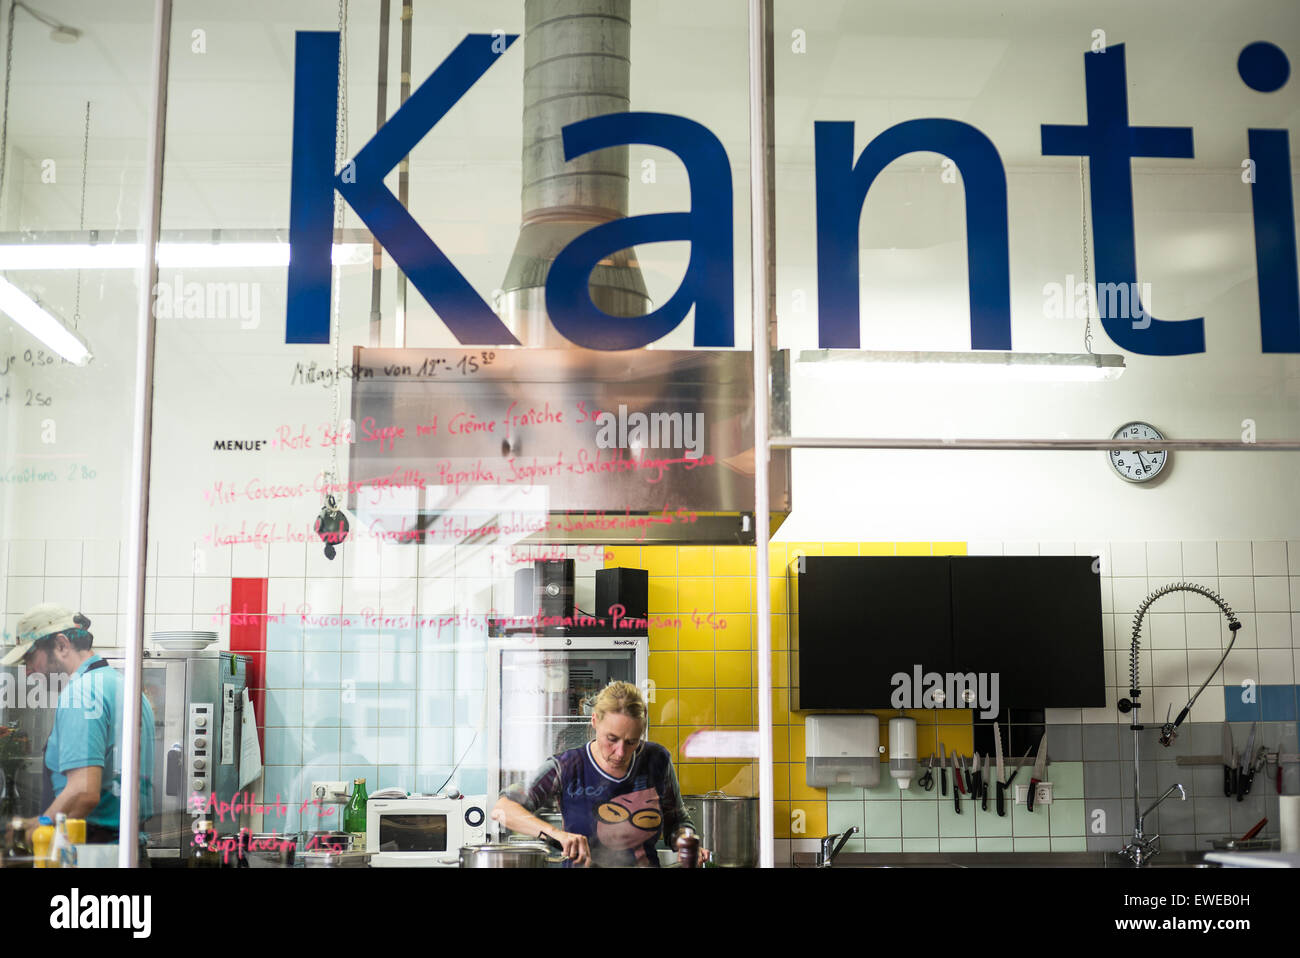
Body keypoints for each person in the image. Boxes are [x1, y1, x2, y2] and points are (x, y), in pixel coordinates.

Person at [493, 680, 708, 867]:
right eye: (612, 739)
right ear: (595, 721)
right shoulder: (567, 766)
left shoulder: (657, 760)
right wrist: (557, 834)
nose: (621, 752)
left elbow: (677, 819)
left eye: (632, 741)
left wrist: (686, 840)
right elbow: (503, 809)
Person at [0, 604, 155, 858]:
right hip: (124, 851)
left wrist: (38, 829)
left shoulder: (81, 693)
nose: (28, 670)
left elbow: (83, 791)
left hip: (93, 854)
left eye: (30, 657)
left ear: (61, 645)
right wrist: (34, 821)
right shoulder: (124, 686)